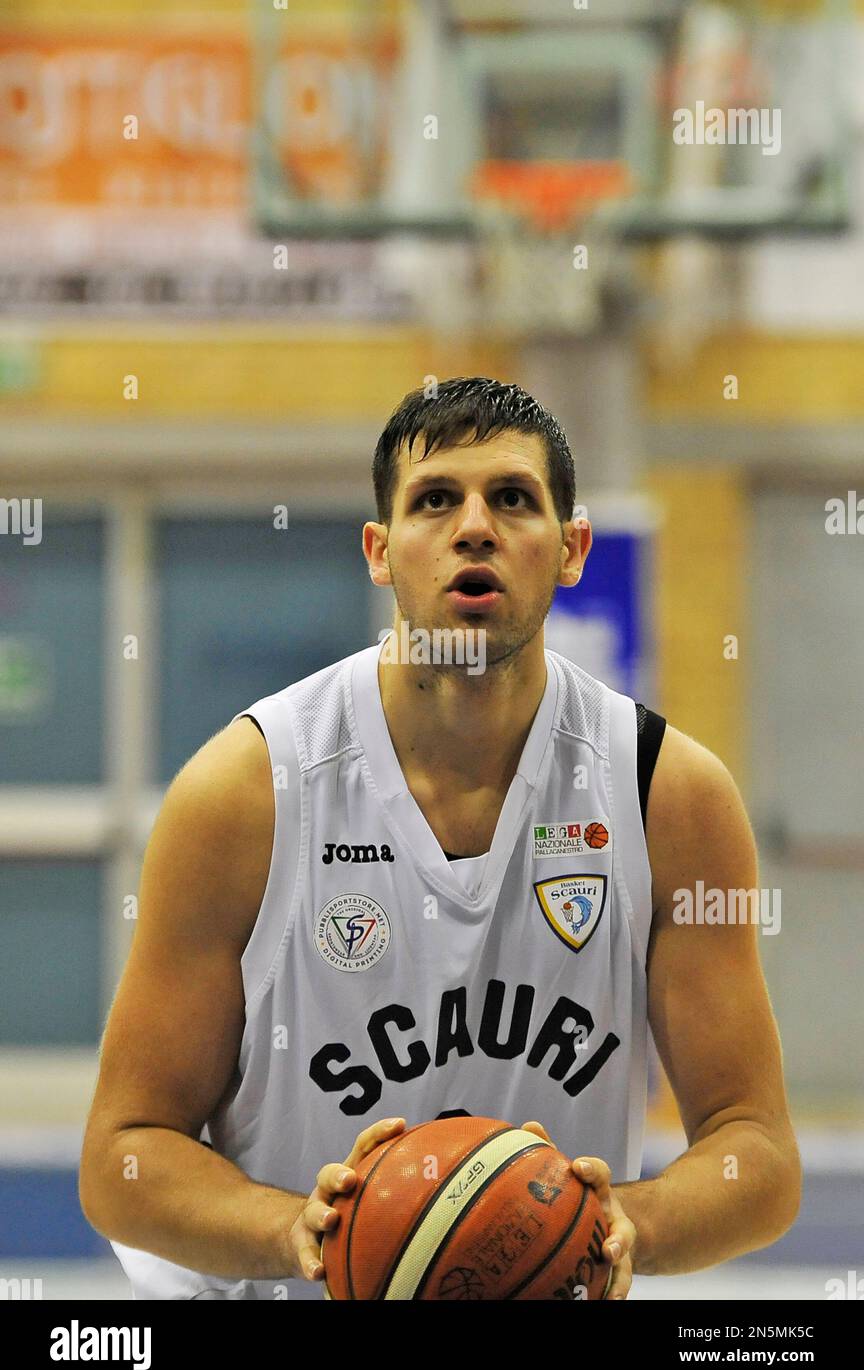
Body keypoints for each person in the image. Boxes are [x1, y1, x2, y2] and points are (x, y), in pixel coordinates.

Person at [79, 377, 801, 1300]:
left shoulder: (669, 793)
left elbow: (758, 1151)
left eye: (511, 498)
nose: (474, 527)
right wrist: (294, 1230)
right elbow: (123, 1156)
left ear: (572, 550)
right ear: (380, 552)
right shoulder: (247, 791)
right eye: (435, 501)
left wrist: (623, 1223)